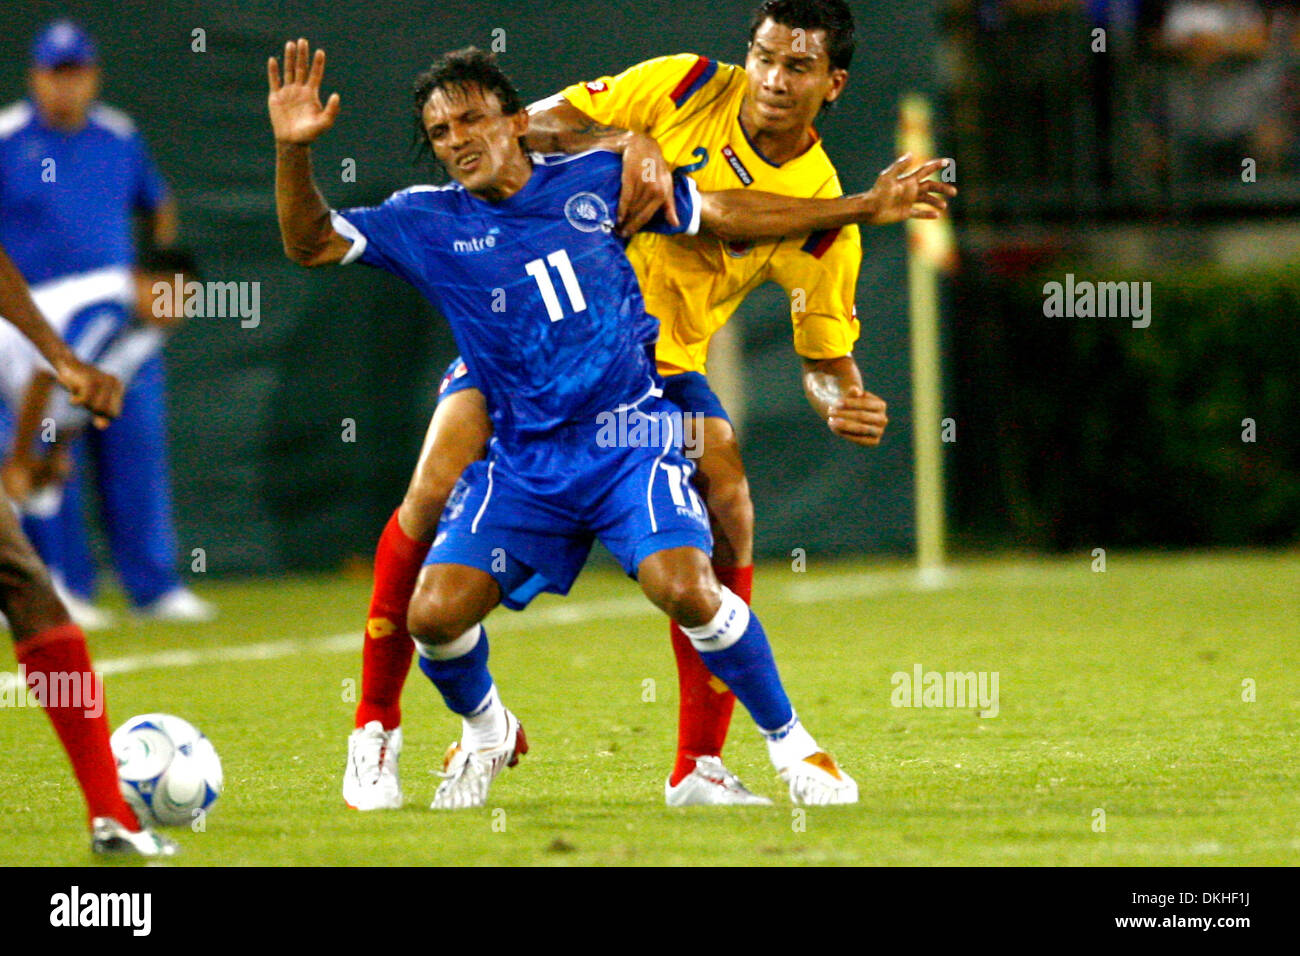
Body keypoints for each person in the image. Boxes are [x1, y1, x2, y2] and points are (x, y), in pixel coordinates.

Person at [270, 40, 949, 807]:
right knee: (432, 612)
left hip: (630, 433)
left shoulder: (598, 180)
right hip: (526, 456)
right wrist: (293, 154)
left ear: (515, 122)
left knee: (688, 575)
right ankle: (462, 727)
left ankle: (790, 751)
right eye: (440, 133)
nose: (458, 140)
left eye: (472, 120)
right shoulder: (425, 221)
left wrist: (862, 204)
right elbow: (309, 241)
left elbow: (720, 213)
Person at [0, 19, 213, 625]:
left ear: (93, 76)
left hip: (119, 325)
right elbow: (44, 382)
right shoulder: (5, 137)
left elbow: (158, 204)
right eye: (54, 73)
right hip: (27, 330)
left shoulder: (119, 136)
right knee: (38, 452)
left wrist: (156, 276)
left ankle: (154, 586)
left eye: (77, 72)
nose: (66, 86)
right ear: (35, 77)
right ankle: (64, 587)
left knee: (134, 453)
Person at [0, 239, 176, 857]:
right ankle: (113, 818)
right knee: (24, 580)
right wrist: (23, 460)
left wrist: (46, 456)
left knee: (24, 582)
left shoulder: (139, 328)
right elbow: (45, 379)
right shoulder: (107, 306)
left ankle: (112, 818)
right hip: (15, 389)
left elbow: (67, 398)